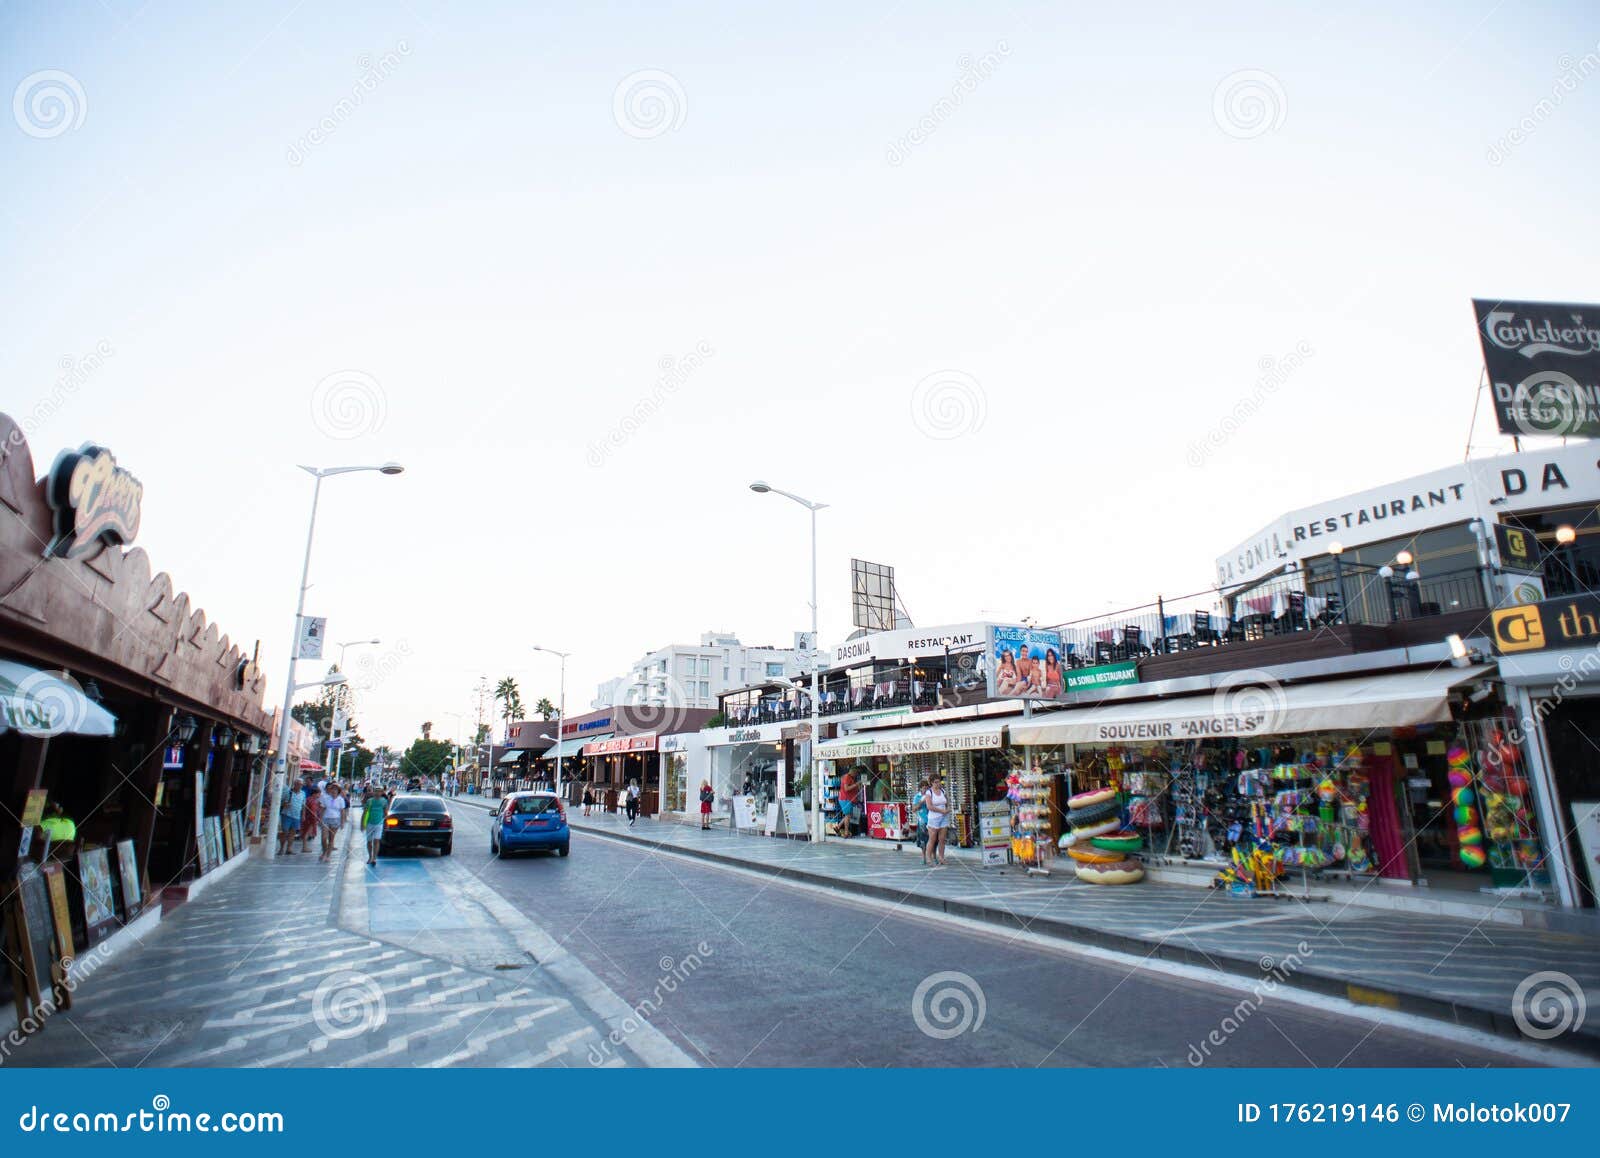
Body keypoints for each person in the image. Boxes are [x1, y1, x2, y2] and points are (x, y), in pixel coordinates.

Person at [925, 774, 951, 866]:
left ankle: (941, 857)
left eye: (939, 781)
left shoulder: (943, 791)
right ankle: (928, 858)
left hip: (943, 817)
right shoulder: (929, 793)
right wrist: (941, 810)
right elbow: (929, 806)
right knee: (932, 838)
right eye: (935, 782)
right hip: (934, 818)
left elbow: (947, 802)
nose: (938, 784)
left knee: (942, 839)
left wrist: (947, 809)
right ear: (931, 783)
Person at [361, 784, 388, 867]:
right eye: (376, 791)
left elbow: (385, 813)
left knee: (376, 840)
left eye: (379, 791)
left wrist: (386, 823)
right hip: (370, 823)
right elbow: (365, 812)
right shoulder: (370, 801)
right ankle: (370, 856)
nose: (377, 793)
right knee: (369, 841)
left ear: (382, 792)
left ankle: (374, 858)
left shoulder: (384, 801)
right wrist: (362, 824)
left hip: (379, 823)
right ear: (374, 792)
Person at [320, 783, 346, 861]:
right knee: (324, 837)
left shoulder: (340, 800)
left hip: (335, 819)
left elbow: (342, 811)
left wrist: (342, 822)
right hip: (326, 818)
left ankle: (328, 855)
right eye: (332, 789)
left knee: (331, 838)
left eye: (335, 789)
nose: (334, 791)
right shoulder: (326, 798)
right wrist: (320, 819)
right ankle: (324, 852)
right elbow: (323, 808)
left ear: (338, 791)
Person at [279, 779, 305, 855]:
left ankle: (289, 848)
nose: (300, 786)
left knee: (292, 832)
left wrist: (303, 815)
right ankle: (281, 849)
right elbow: (280, 802)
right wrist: (284, 804)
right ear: (295, 784)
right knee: (285, 832)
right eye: (298, 784)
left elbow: (303, 805)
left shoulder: (303, 793)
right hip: (287, 814)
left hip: (296, 816)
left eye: (301, 785)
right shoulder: (288, 792)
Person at [912, 778, 932, 865]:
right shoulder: (917, 797)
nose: (925, 790)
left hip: (932, 820)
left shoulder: (931, 795)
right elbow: (914, 809)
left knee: (932, 840)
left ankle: (932, 856)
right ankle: (924, 857)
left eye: (926, 788)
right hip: (922, 821)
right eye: (923, 788)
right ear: (920, 788)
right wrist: (921, 802)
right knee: (923, 841)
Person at [299, 784, 324, 854]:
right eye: (318, 794)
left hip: (311, 818)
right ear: (314, 794)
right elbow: (308, 809)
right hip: (309, 818)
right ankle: (304, 847)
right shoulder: (310, 800)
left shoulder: (312, 800)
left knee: (307, 832)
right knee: (306, 832)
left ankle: (305, 847)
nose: (319, 795)